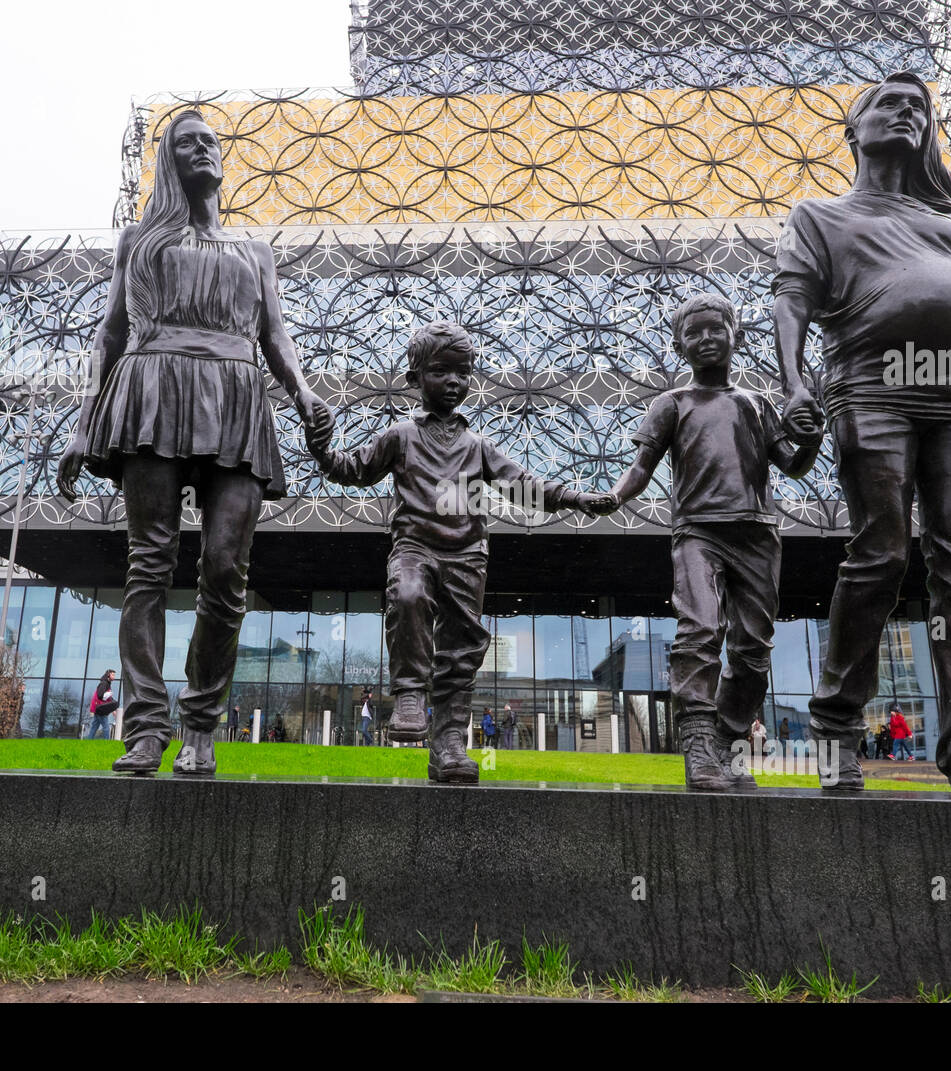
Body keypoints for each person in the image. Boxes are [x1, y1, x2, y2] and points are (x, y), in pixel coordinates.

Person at [772, 72, 951, 798]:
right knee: (881, 551)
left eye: (919, 109)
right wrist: (794, 383)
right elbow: (791, 301)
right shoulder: (820, 216)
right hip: (873, 381)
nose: (907, 113)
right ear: (853, 129)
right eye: (888, 104)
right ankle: (837, 727)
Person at [57, 110, 332, 776]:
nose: (203, 149)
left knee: (223, 571)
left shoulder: (253, 252)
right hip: (153, 386)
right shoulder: (139, 242)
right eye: (187, 143)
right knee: (149, 565)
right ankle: (146, 728)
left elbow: (277, 338)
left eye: (211, 140)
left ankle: (201, 725)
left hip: (237, 398)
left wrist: (304, 394)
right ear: (169, 164)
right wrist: (82, 422)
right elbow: (109, 336)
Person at [305, 320, 608, 782]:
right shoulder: (401, 436)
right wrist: (322, 449)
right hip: (415, 547)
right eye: (442, 371)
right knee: (406, 595)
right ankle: (409, 694)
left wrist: (573, 498)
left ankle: (448, 743)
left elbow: (523, 486)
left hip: (467, 556)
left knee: (461, 651)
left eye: (463, 374)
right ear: (415, 378)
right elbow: (357, 470)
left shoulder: (477, 445)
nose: (454, 382)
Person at [593, 294, 822, 790]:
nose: (705, 339)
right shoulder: (670, 405)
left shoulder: (756, 403)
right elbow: (641, 468)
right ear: (679, 346)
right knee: (698, 631)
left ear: (735, 336)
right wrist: (613, 497)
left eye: (715, 329)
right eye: (693, 333)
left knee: (753, 648)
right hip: (698, 531)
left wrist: (811, 438)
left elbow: (793, 465)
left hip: (758, 533)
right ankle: (697, 743)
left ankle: (730, 742)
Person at [85, 669, 118, 739]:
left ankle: (88, 741)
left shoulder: (107, 684)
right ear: (108, 675)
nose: (114, 676)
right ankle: (107, 744)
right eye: (113, 675)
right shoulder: (104, 683)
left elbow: (108, 698)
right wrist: (108, 695)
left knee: (94, 727)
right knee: (106, 728)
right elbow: (100, 695)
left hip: (98, 708)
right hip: (100, 709)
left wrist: (113, 708)